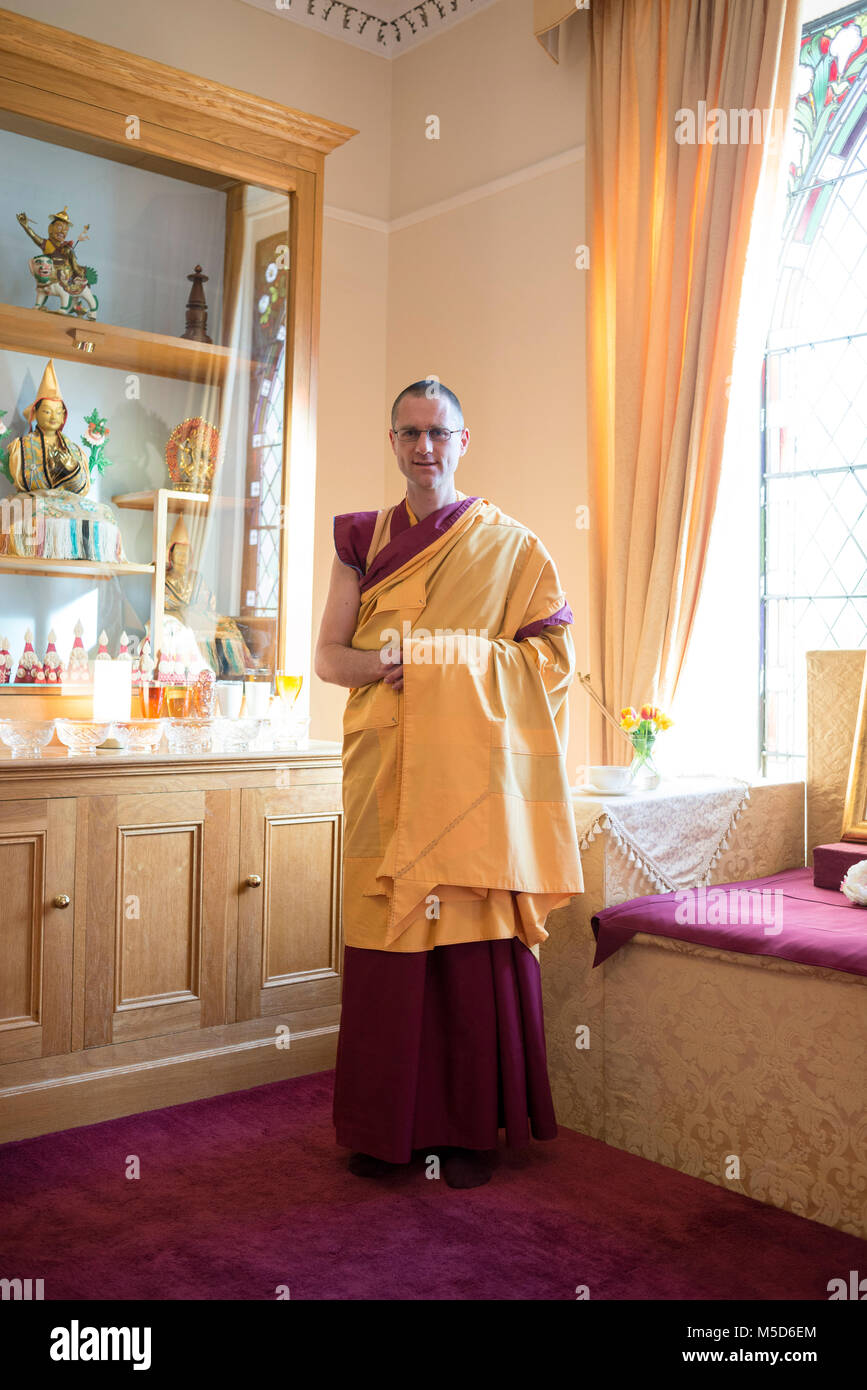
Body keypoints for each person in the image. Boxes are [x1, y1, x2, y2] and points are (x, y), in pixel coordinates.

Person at [315, 380, 583, 1189]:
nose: (423, 448)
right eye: (408, 433)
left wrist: (444, 665)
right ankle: (383, 1130)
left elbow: (550, 667)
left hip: (469, 784)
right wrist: (390, 663)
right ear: (391, 442)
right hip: (383, 772)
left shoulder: (514, 546)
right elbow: (330, 659)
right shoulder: (360, 539)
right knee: (385, 943)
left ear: (464, 441)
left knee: (464, 944)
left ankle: (467, 1131)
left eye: (438, 433)